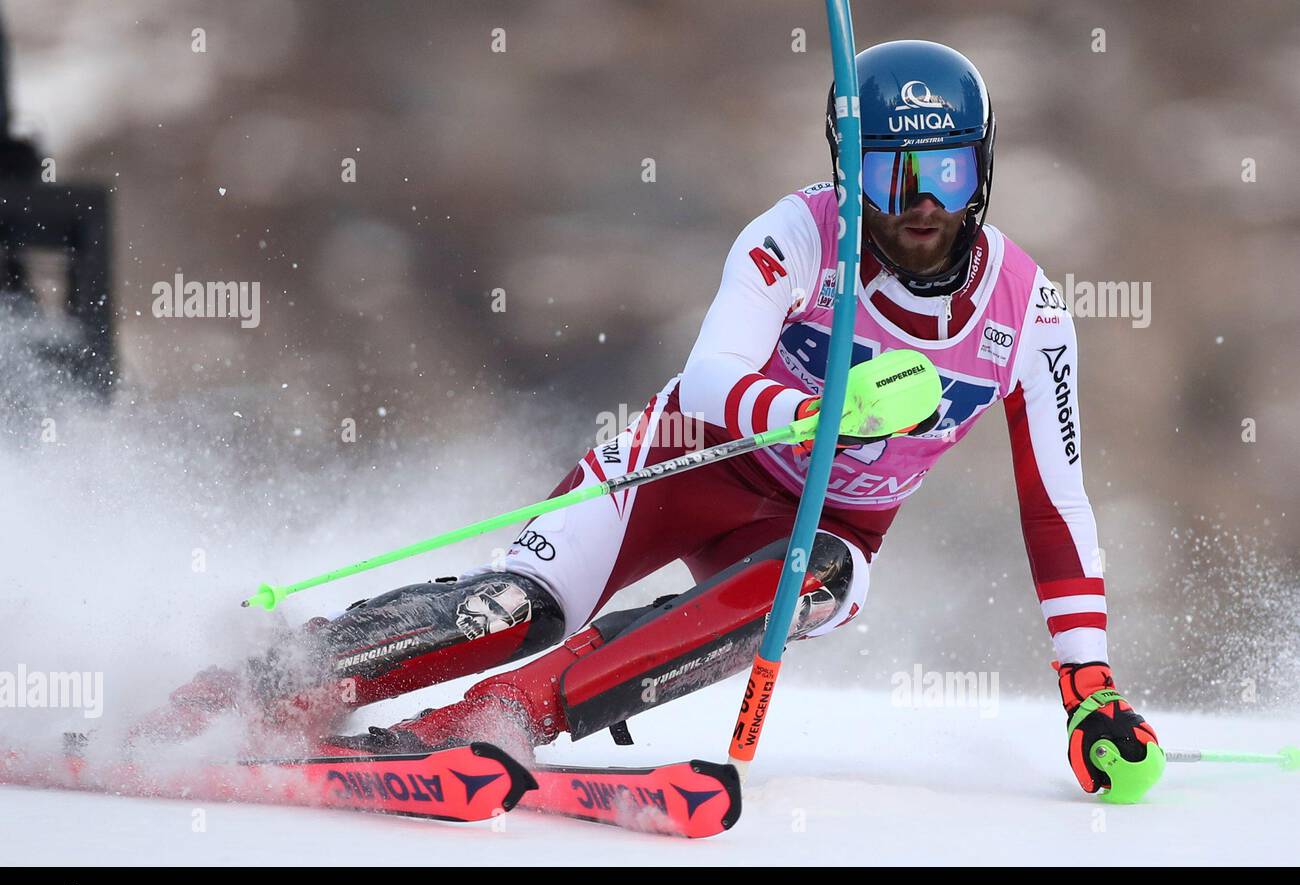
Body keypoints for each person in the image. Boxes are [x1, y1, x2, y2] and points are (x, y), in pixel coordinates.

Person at [151, 40, 1156, 796]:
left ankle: (489, 722)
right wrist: (813, 412)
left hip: (811, 532)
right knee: (513, 608)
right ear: (846, 168)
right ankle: (263, 685)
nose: (917, 205)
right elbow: (712, 375)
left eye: (942, 173)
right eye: (886, 173)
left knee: (821, 579)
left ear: (981, 170)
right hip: (675, 468)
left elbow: (1057, 508)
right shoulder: (795, 236)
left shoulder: (1030, 317)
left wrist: (1089, 688)